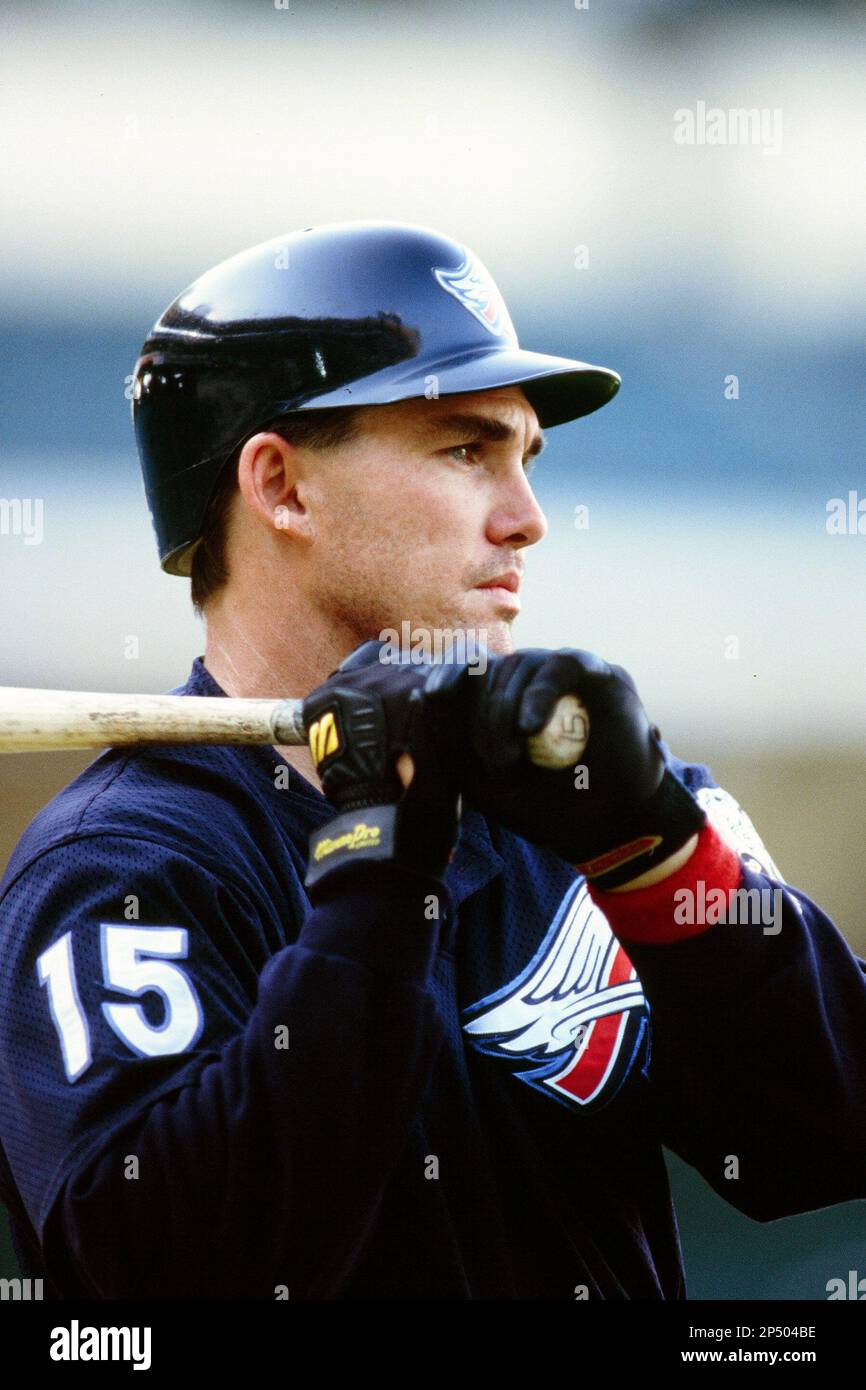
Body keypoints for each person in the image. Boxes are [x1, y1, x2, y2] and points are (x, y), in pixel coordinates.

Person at [0, 221, 864, 1300]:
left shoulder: (583, 801)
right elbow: (162, 1279)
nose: (527, 520)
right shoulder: (120, 866)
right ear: (281, 487)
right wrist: (380, 870)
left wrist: (655, 852)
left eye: (525, 457)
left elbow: (820, 1145)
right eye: (465, 450)